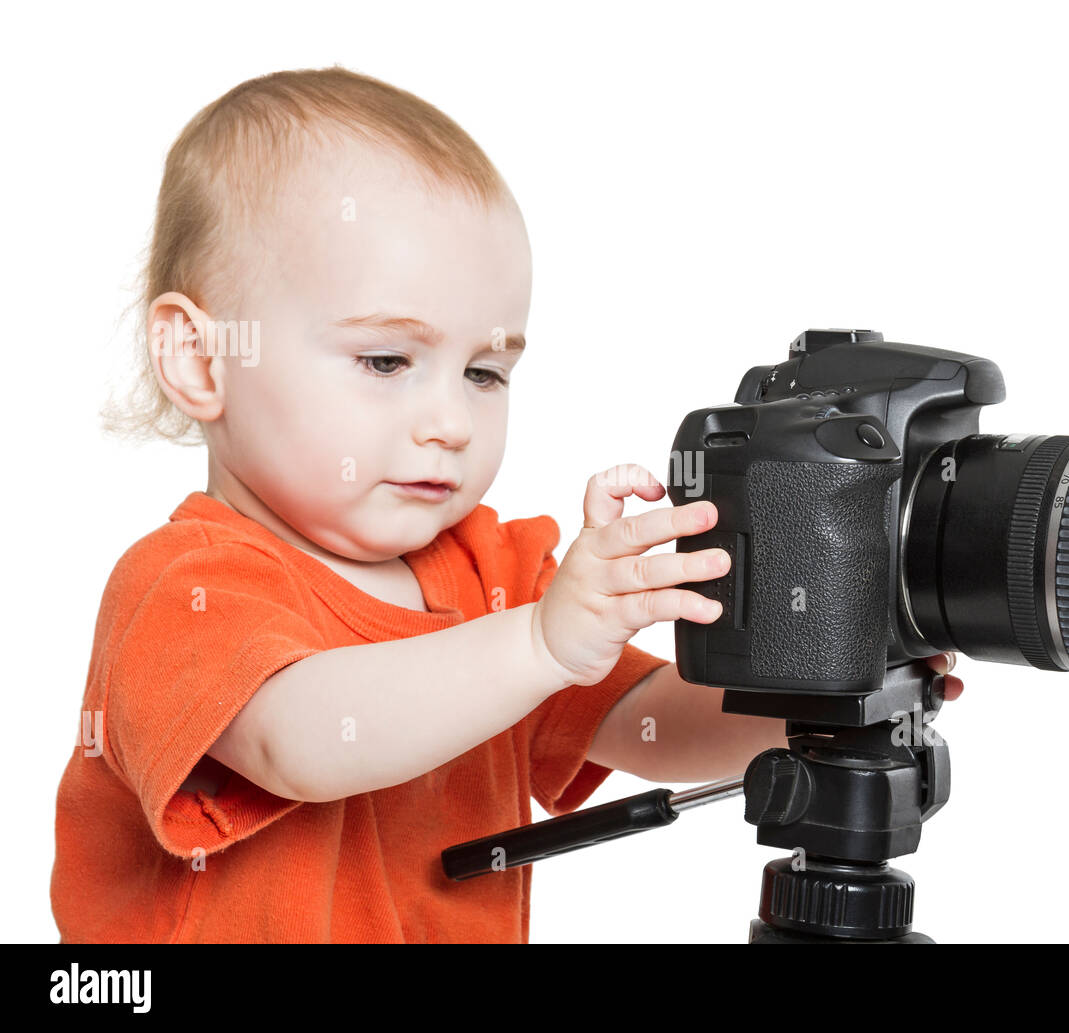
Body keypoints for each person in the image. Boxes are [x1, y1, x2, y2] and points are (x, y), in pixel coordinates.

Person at [51, 66, 962, 943]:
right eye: (385, 361)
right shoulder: (180, 588)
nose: (450, 420)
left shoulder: (493, 573)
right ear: (202, 360)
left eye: (486, 371)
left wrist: (838, 684)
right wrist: (540, 642)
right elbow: (302, 739)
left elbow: (644, 722)